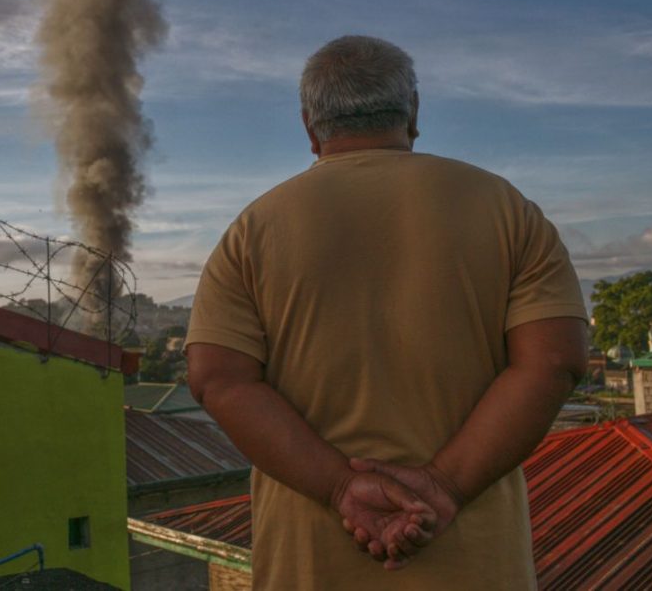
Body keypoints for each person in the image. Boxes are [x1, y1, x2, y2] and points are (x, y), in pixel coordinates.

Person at [185, 35, 588, 590]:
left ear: (309, 127)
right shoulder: (507, 210)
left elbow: (217, 381)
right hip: (475, 563)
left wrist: (338, 488)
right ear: (413, 112)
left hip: (307, 567)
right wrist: (443, 487)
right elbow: (554, 363)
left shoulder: (253, 231)